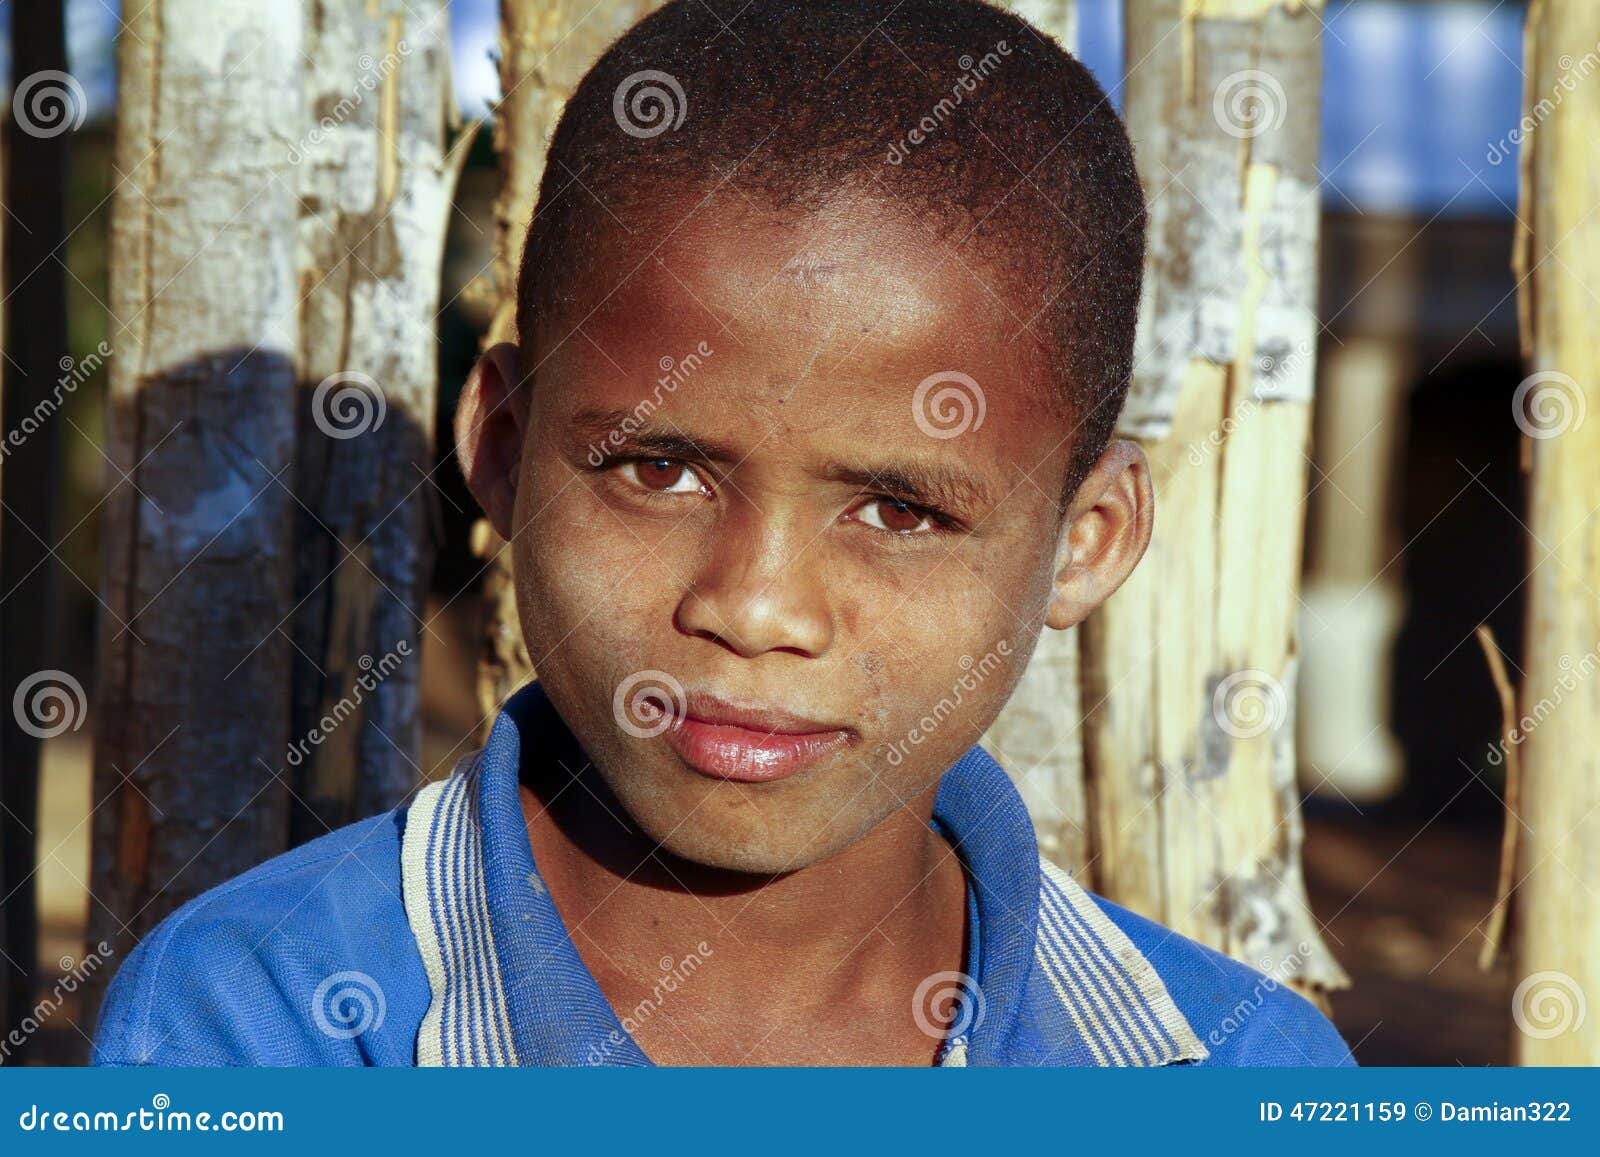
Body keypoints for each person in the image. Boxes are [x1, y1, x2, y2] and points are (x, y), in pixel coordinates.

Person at [94, 0, 1353, 1067]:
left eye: (900, 509)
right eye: (658, 469)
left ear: (1087, 539)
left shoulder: (1233, 1069)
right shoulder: (260, 1024)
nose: (755, 606)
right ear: (504, 451)